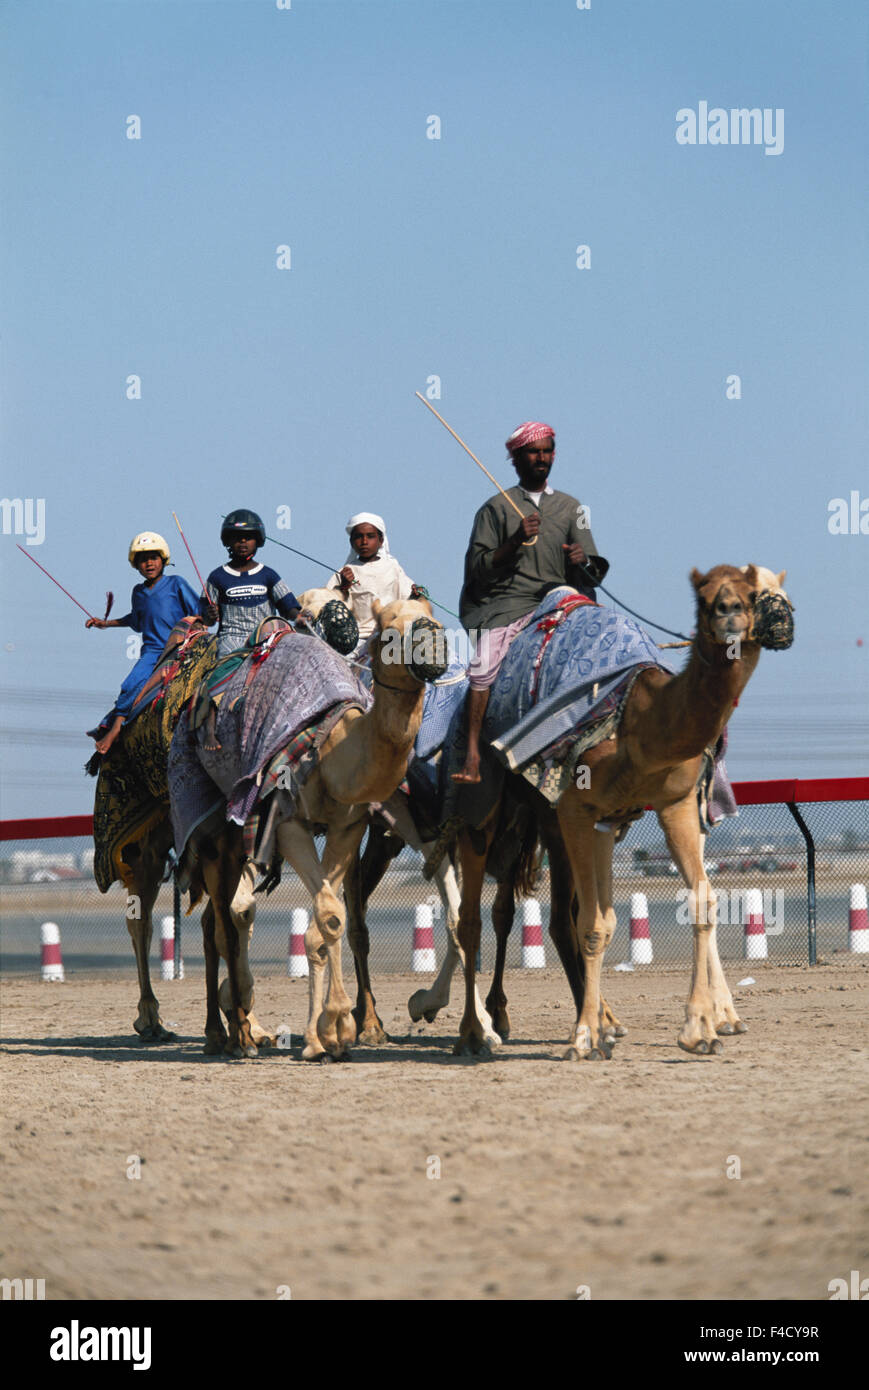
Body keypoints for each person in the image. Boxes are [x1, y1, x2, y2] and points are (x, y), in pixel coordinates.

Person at [453, 420, 609, 783]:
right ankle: (473, 756)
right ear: (516, 457)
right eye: (533, 452)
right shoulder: (495, 508)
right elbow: (477, 567)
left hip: (559, 598)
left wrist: (581, 561)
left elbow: (592, 570)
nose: (541, 458)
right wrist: (513, 542)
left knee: (600, 644)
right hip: (508, 605)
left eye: (547, 451)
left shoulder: (572, 507)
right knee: (482, 665)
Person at [87, 532, 202, 755]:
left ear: (163, 559)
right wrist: (106, 623)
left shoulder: (177, 583)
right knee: (130, 685)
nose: (149, 563)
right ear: (136, 565)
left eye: (153, 557)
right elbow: (137, 622)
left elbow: (198, 613)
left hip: (180, 648)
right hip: (153, 652)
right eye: (143, 559)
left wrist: (207, 620)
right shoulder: (138, 592)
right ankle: (114, 730)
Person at [326, 512, 427, 658]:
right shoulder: (345, 572)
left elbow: (407, 598)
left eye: (370, 536)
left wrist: (416, 594)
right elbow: (329, 608)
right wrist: (344, 587)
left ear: (380, 540)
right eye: (359, 537)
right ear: (351, 542)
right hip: (357, 641)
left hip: (392, 634)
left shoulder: (392, 567)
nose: (364, 541)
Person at [204, 509, 300, 659]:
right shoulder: (217, 577)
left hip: (267, 640)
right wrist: (209, 614)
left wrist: (301, 617)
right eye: (237, 537)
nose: (243, 541)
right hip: (230, 641)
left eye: (248, 537)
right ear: (228, 541)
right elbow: (206, 619)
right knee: (225, 669)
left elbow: (288, 608)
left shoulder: (268, 575)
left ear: (257, 541)